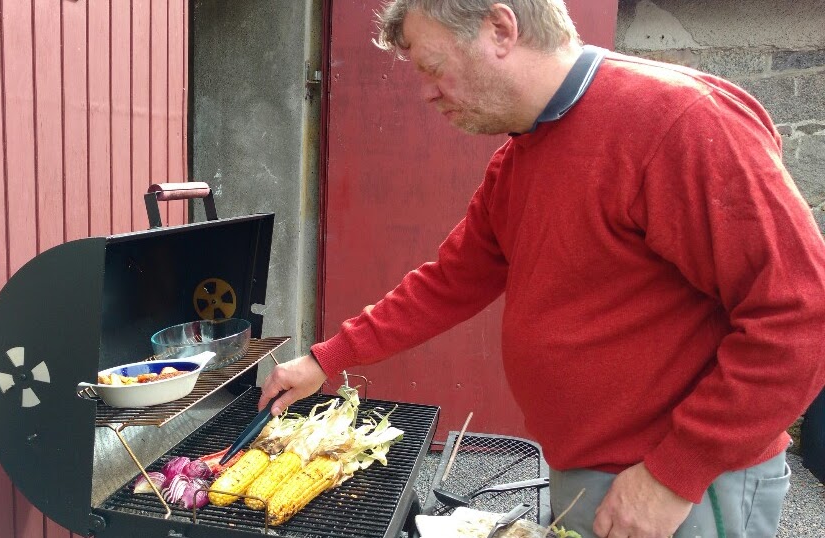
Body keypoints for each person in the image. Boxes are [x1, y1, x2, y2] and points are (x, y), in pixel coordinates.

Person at [257, 1, 825, 537]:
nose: (425, 93)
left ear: (502, 30)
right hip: (592, 469)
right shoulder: (520, 159)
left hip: (683, 485)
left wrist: (672, 474)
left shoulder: (676, 122)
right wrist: (325, 359)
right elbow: (448, 283)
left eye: (433, 68)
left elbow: (802, 316)